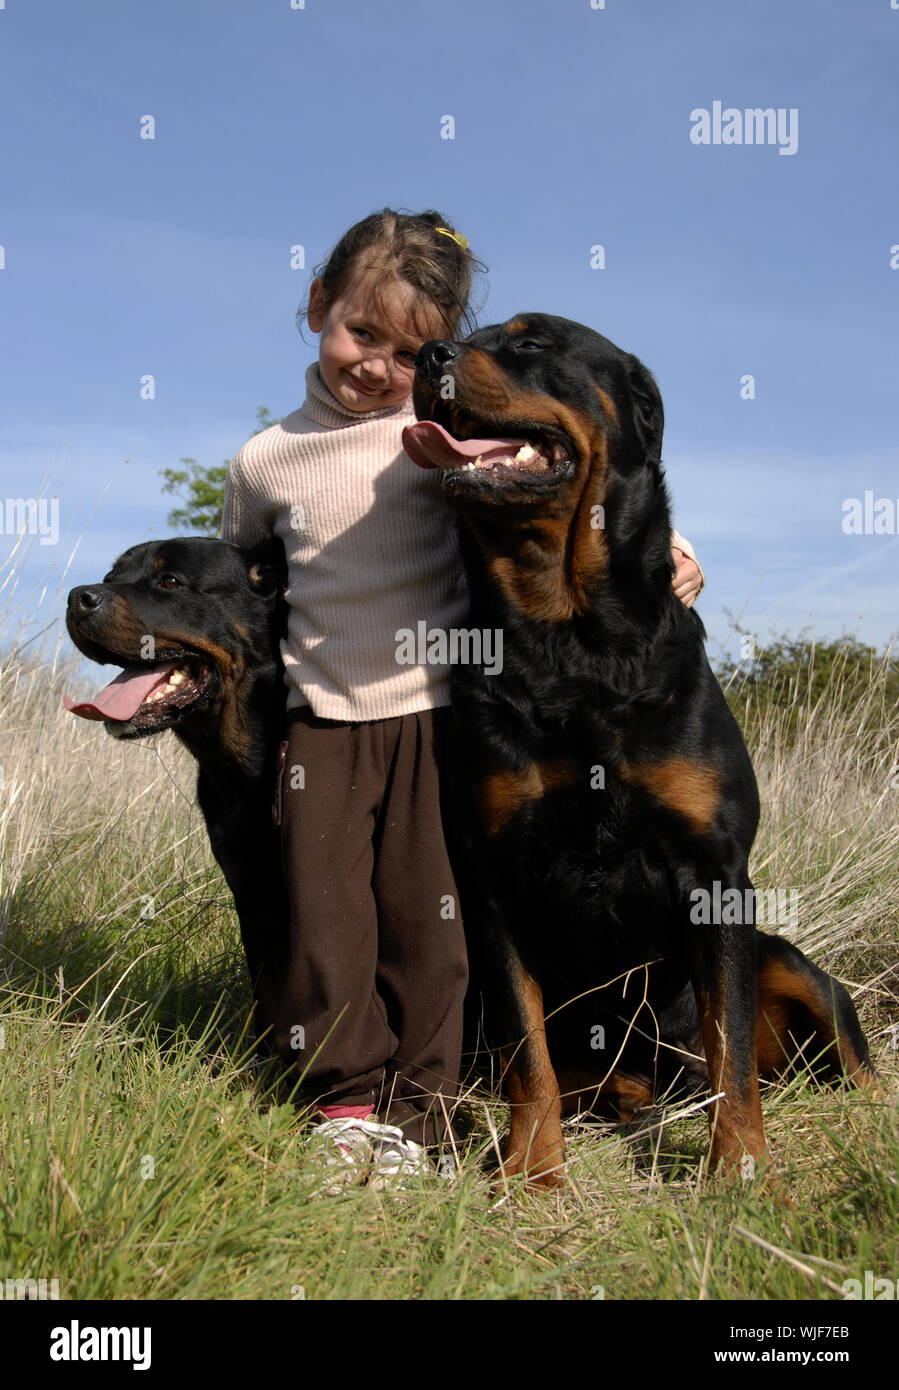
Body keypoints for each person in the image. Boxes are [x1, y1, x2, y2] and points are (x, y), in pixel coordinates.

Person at [221, 209, 704, 1188]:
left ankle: (428, 1107)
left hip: (437, 718)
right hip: (323, 722)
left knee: (431, 923)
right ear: (318, 304)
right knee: (328, 921)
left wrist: (669, 557)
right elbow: (244, 587)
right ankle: (346, 1104)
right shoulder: (262, 460)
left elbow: (575, 489)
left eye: (406, 352)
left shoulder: (439, 440)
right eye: (360, 331)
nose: (373, 365)